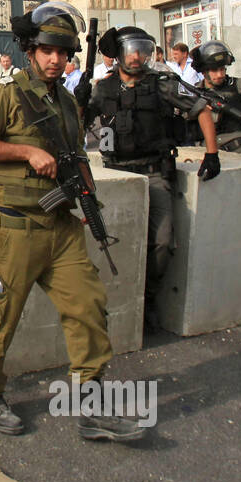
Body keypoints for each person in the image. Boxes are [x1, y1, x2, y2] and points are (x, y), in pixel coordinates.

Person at [0, 1, 145, 441]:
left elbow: (77, 156)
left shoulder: (66, 100)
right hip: (16, 229)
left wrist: (87, 201)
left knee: (88, 307)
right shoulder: (7, 93)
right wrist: (26, 151)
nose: (55, 59)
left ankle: (90, 405)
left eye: (63, 53)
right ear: (31, 50)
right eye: (47, 50)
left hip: (61, 227)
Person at [83, 26, 221, 334]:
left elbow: (201, 109)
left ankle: (147, 301)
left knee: (161, 241)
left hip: (155, 172)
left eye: (141, 50)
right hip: (116, 173)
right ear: (117, 54)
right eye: (129, 50)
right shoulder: (101, 89)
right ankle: (111, 306)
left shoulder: (164, 85)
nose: (135, 57)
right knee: (109, 245)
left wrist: (212, 154)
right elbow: (77, 117)